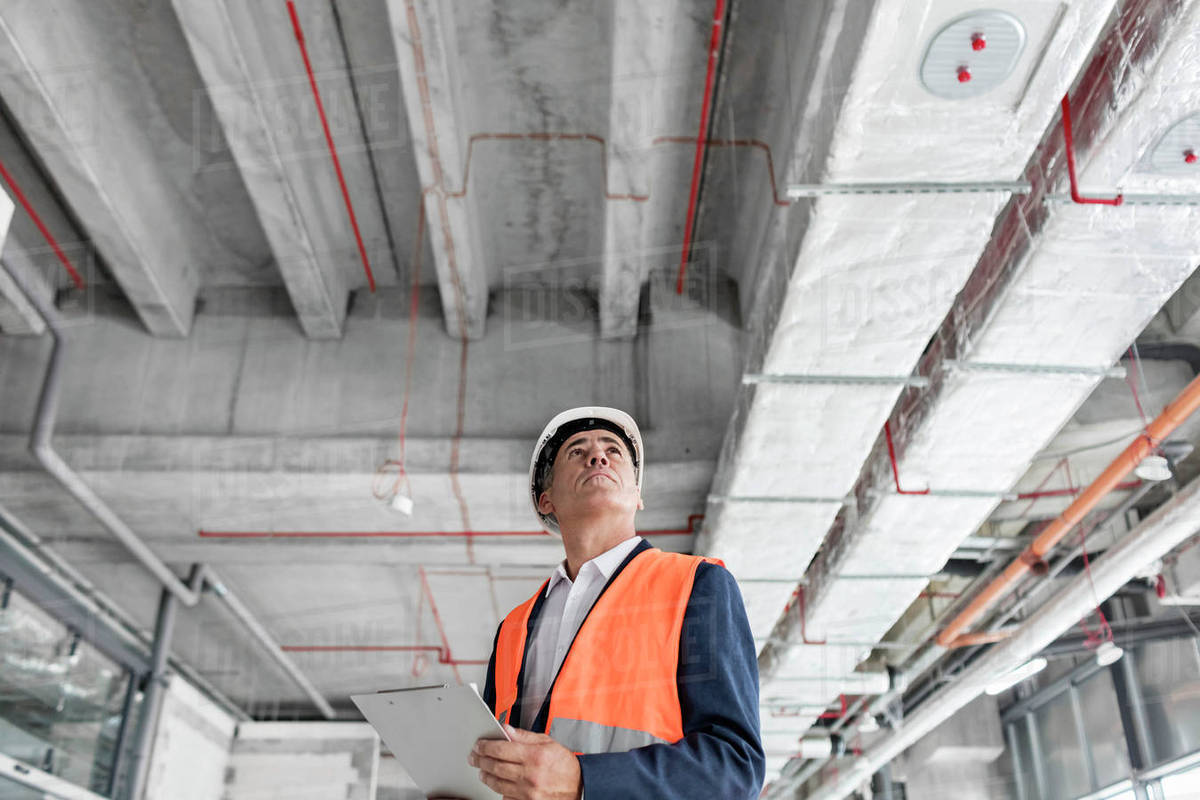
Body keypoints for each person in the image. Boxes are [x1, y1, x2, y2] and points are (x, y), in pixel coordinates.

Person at [463, 407, 764, 799]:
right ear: (546, 499)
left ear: (637, 495)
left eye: (613, 450)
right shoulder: (512, 630)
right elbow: (498, 765)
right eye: (576, 451)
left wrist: (585, 780)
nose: (597, 456)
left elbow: (735, 767)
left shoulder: (696, 585)